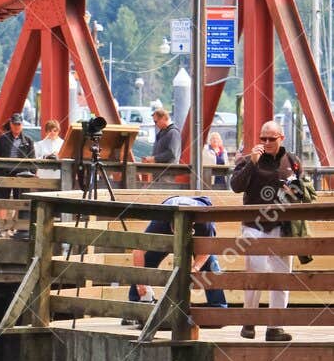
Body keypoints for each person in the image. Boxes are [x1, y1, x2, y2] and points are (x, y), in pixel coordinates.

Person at [229, 119, 301, 342]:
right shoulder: (248, 160)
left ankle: (275, 327)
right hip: (254, 225)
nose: (267, 142)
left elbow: (301, 190)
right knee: (256, 273)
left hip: (281, 225)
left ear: (281, 138)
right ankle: (249, 320)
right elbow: (236, 186)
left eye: (271, 138)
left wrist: (293, 190)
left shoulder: (292, 161)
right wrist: (252, 162)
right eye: (263, 138)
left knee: (281, 278)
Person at [124, 194, 228, 325]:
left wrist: (195, 268)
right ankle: (134, 308)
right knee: (148, 260)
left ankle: (218, 311)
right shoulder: (160, 223)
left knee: (211, 265)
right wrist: (140, 281)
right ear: (171, 227)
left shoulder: (205, 223)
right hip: (169, 211)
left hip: (198, 221)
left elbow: (208, 248)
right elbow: (138, 249)